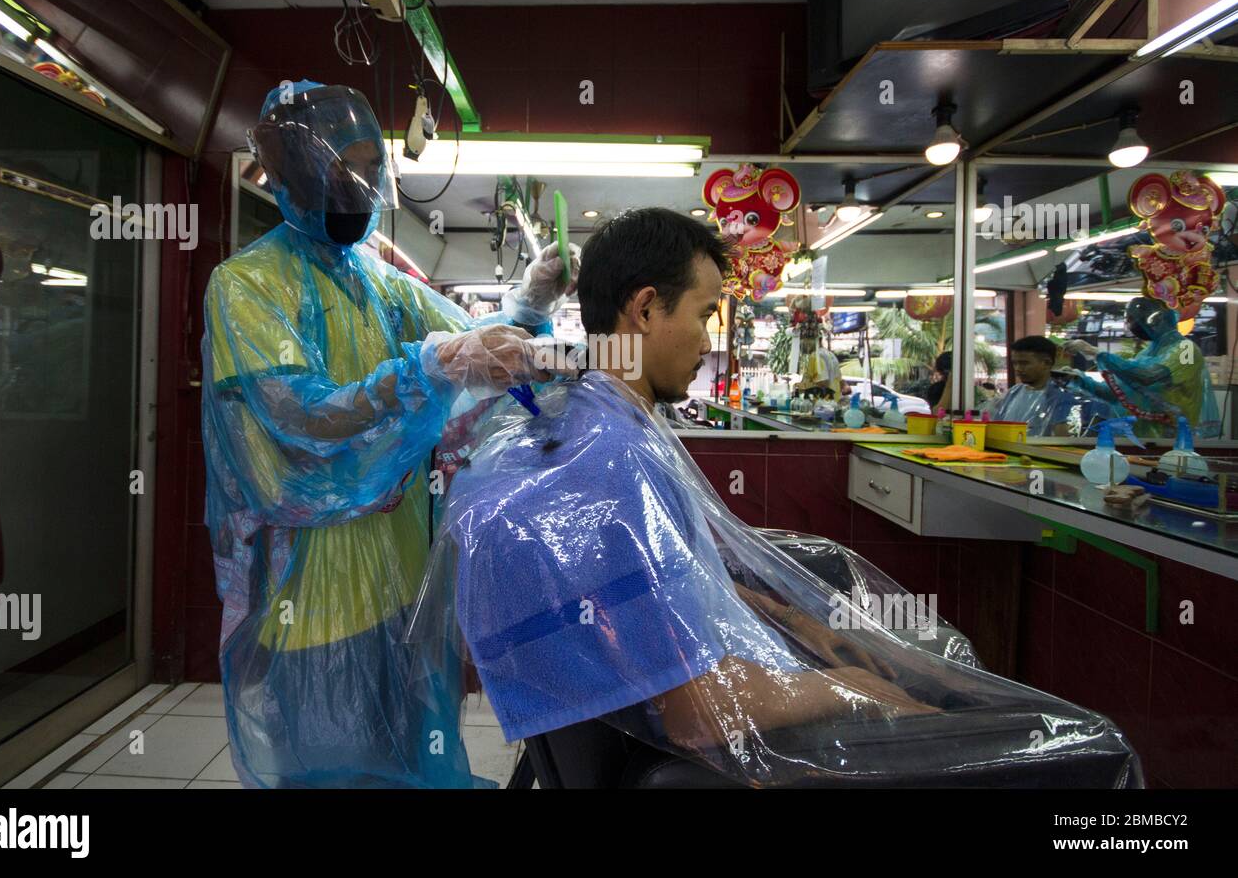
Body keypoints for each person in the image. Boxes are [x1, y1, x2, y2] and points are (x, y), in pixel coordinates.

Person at [418, 208, 1142, 787]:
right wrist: (848, 690)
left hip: (704, 691)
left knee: (929, 674)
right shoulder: (613, 460)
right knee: (1091, 749)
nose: (708, 339)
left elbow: (655, 586)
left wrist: (784, 614)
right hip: (701, 754)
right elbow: (697, 714)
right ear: (644, 309)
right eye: (703, 314)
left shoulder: (605, 426)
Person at [201, 80, 577, 788]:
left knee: (412, 746)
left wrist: (529, 304)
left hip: (403, 575)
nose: (360, 188)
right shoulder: (246, 285)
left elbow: (469, 344)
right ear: (289, 175)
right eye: (343, 170)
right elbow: (301, 418)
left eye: (372, 171)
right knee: (335, 759)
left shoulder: (374, 281)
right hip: (313, 589)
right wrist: (418, 372)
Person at [1065, 296, 1220, 438]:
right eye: (1130, 321)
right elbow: (1116, 393)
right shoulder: (1147, 353)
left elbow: (1148, 376)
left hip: (1174, 440)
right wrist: (1078, 380)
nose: (1132, 326)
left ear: (1156, 319)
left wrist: (1095, 353)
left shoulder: (1186, 350)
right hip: (1142, 439)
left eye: (1134, 320)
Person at [989, 335, 1077, 436]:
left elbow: (1063, 438)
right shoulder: (1014, 392)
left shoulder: (1059, 397)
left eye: (1024, 363)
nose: (1018, 368)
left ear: (1046, 363)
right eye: (1015, 363)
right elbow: (997, 427)